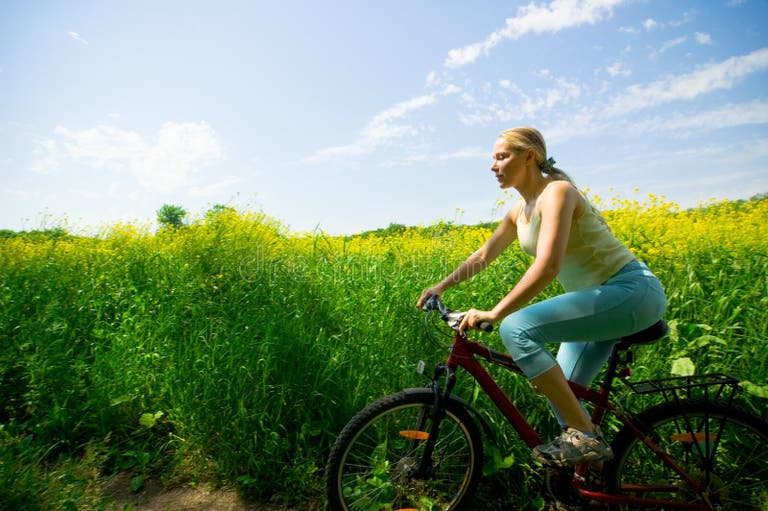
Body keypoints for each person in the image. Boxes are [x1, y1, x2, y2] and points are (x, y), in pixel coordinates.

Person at [416, 127, 667, 467]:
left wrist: (496, 312)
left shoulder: (558, 193)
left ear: (529, 156)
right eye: (493, 158)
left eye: (501, 156)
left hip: (632, 292)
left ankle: (587, 436)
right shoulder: (519, 211)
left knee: (516, 327)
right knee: (562, 394)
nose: (493, 166)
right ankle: (590, 480)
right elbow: (483, 256)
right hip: (597, 302)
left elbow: (548, 266)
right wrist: (441, 287)